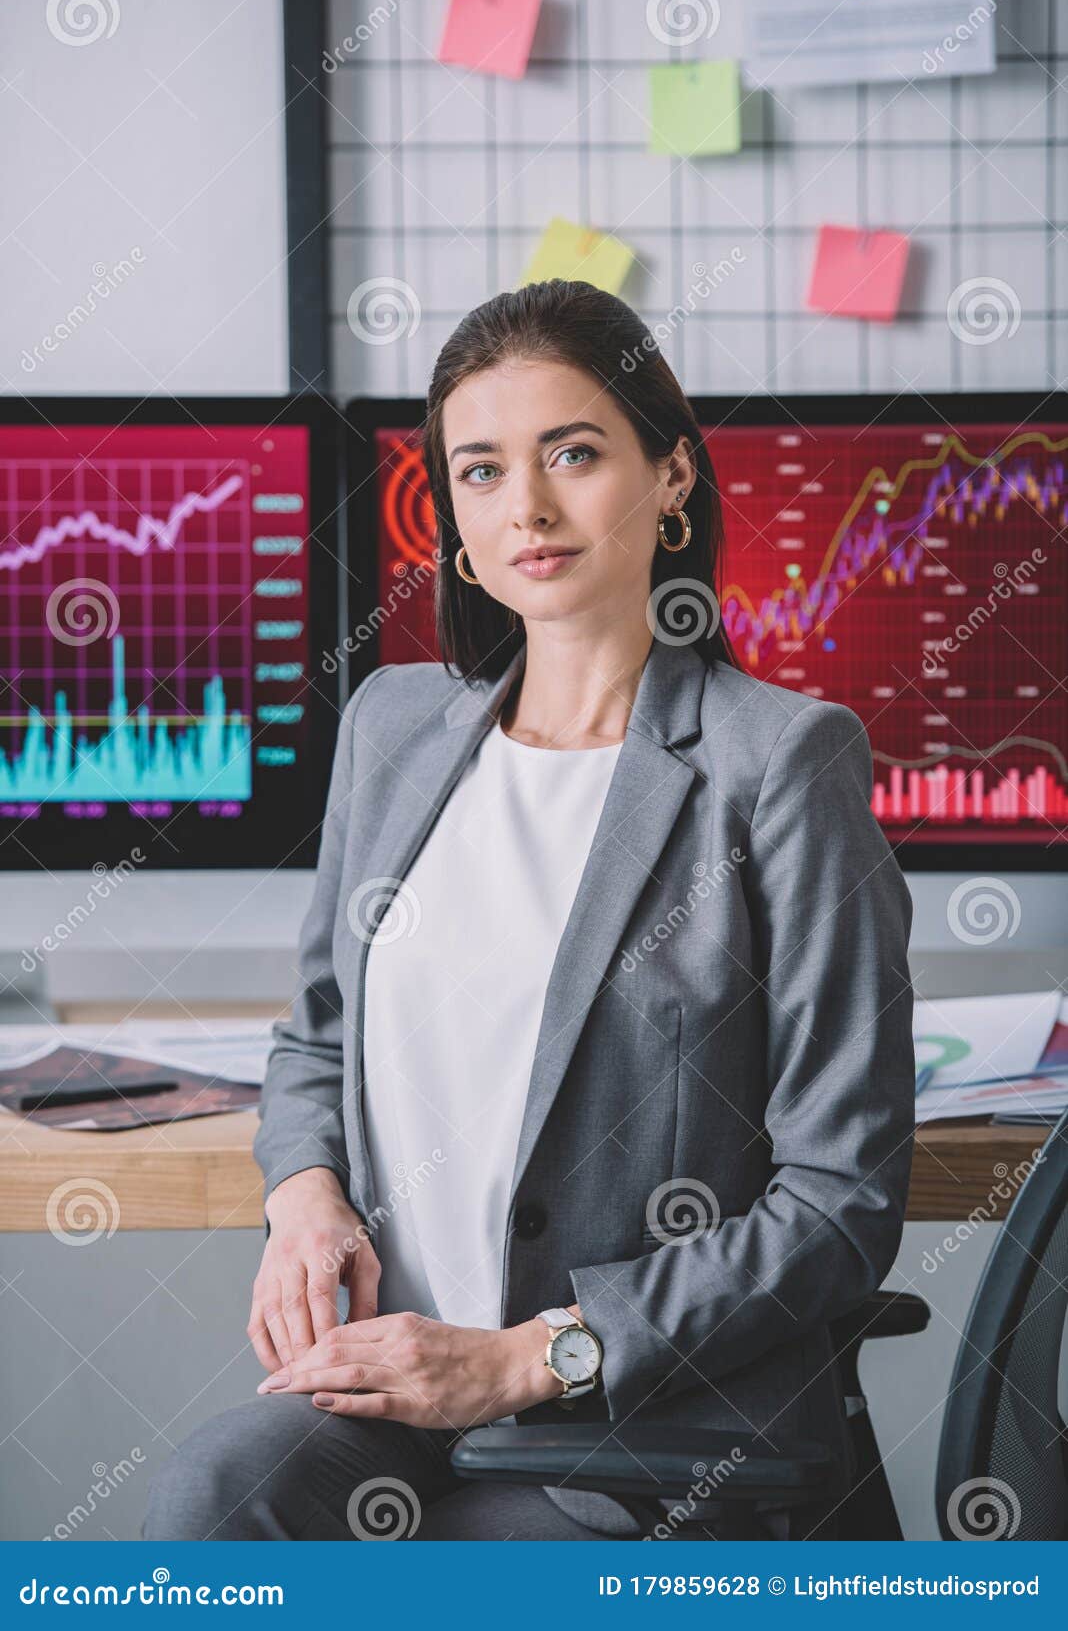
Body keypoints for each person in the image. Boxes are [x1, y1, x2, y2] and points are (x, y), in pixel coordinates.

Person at [143, 279, 915, 1542]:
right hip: (397, 1385)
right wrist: (304, 1195)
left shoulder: (783, 761)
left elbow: (838, 1206)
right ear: (449, 511)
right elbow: (313, 1040)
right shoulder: (393, 728)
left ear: (672, 477)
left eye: (574, 453)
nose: (529, 509)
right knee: (208, 1505)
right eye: (482, 470)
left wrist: (521, 1359)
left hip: (636, 1419)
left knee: (470, 1559)